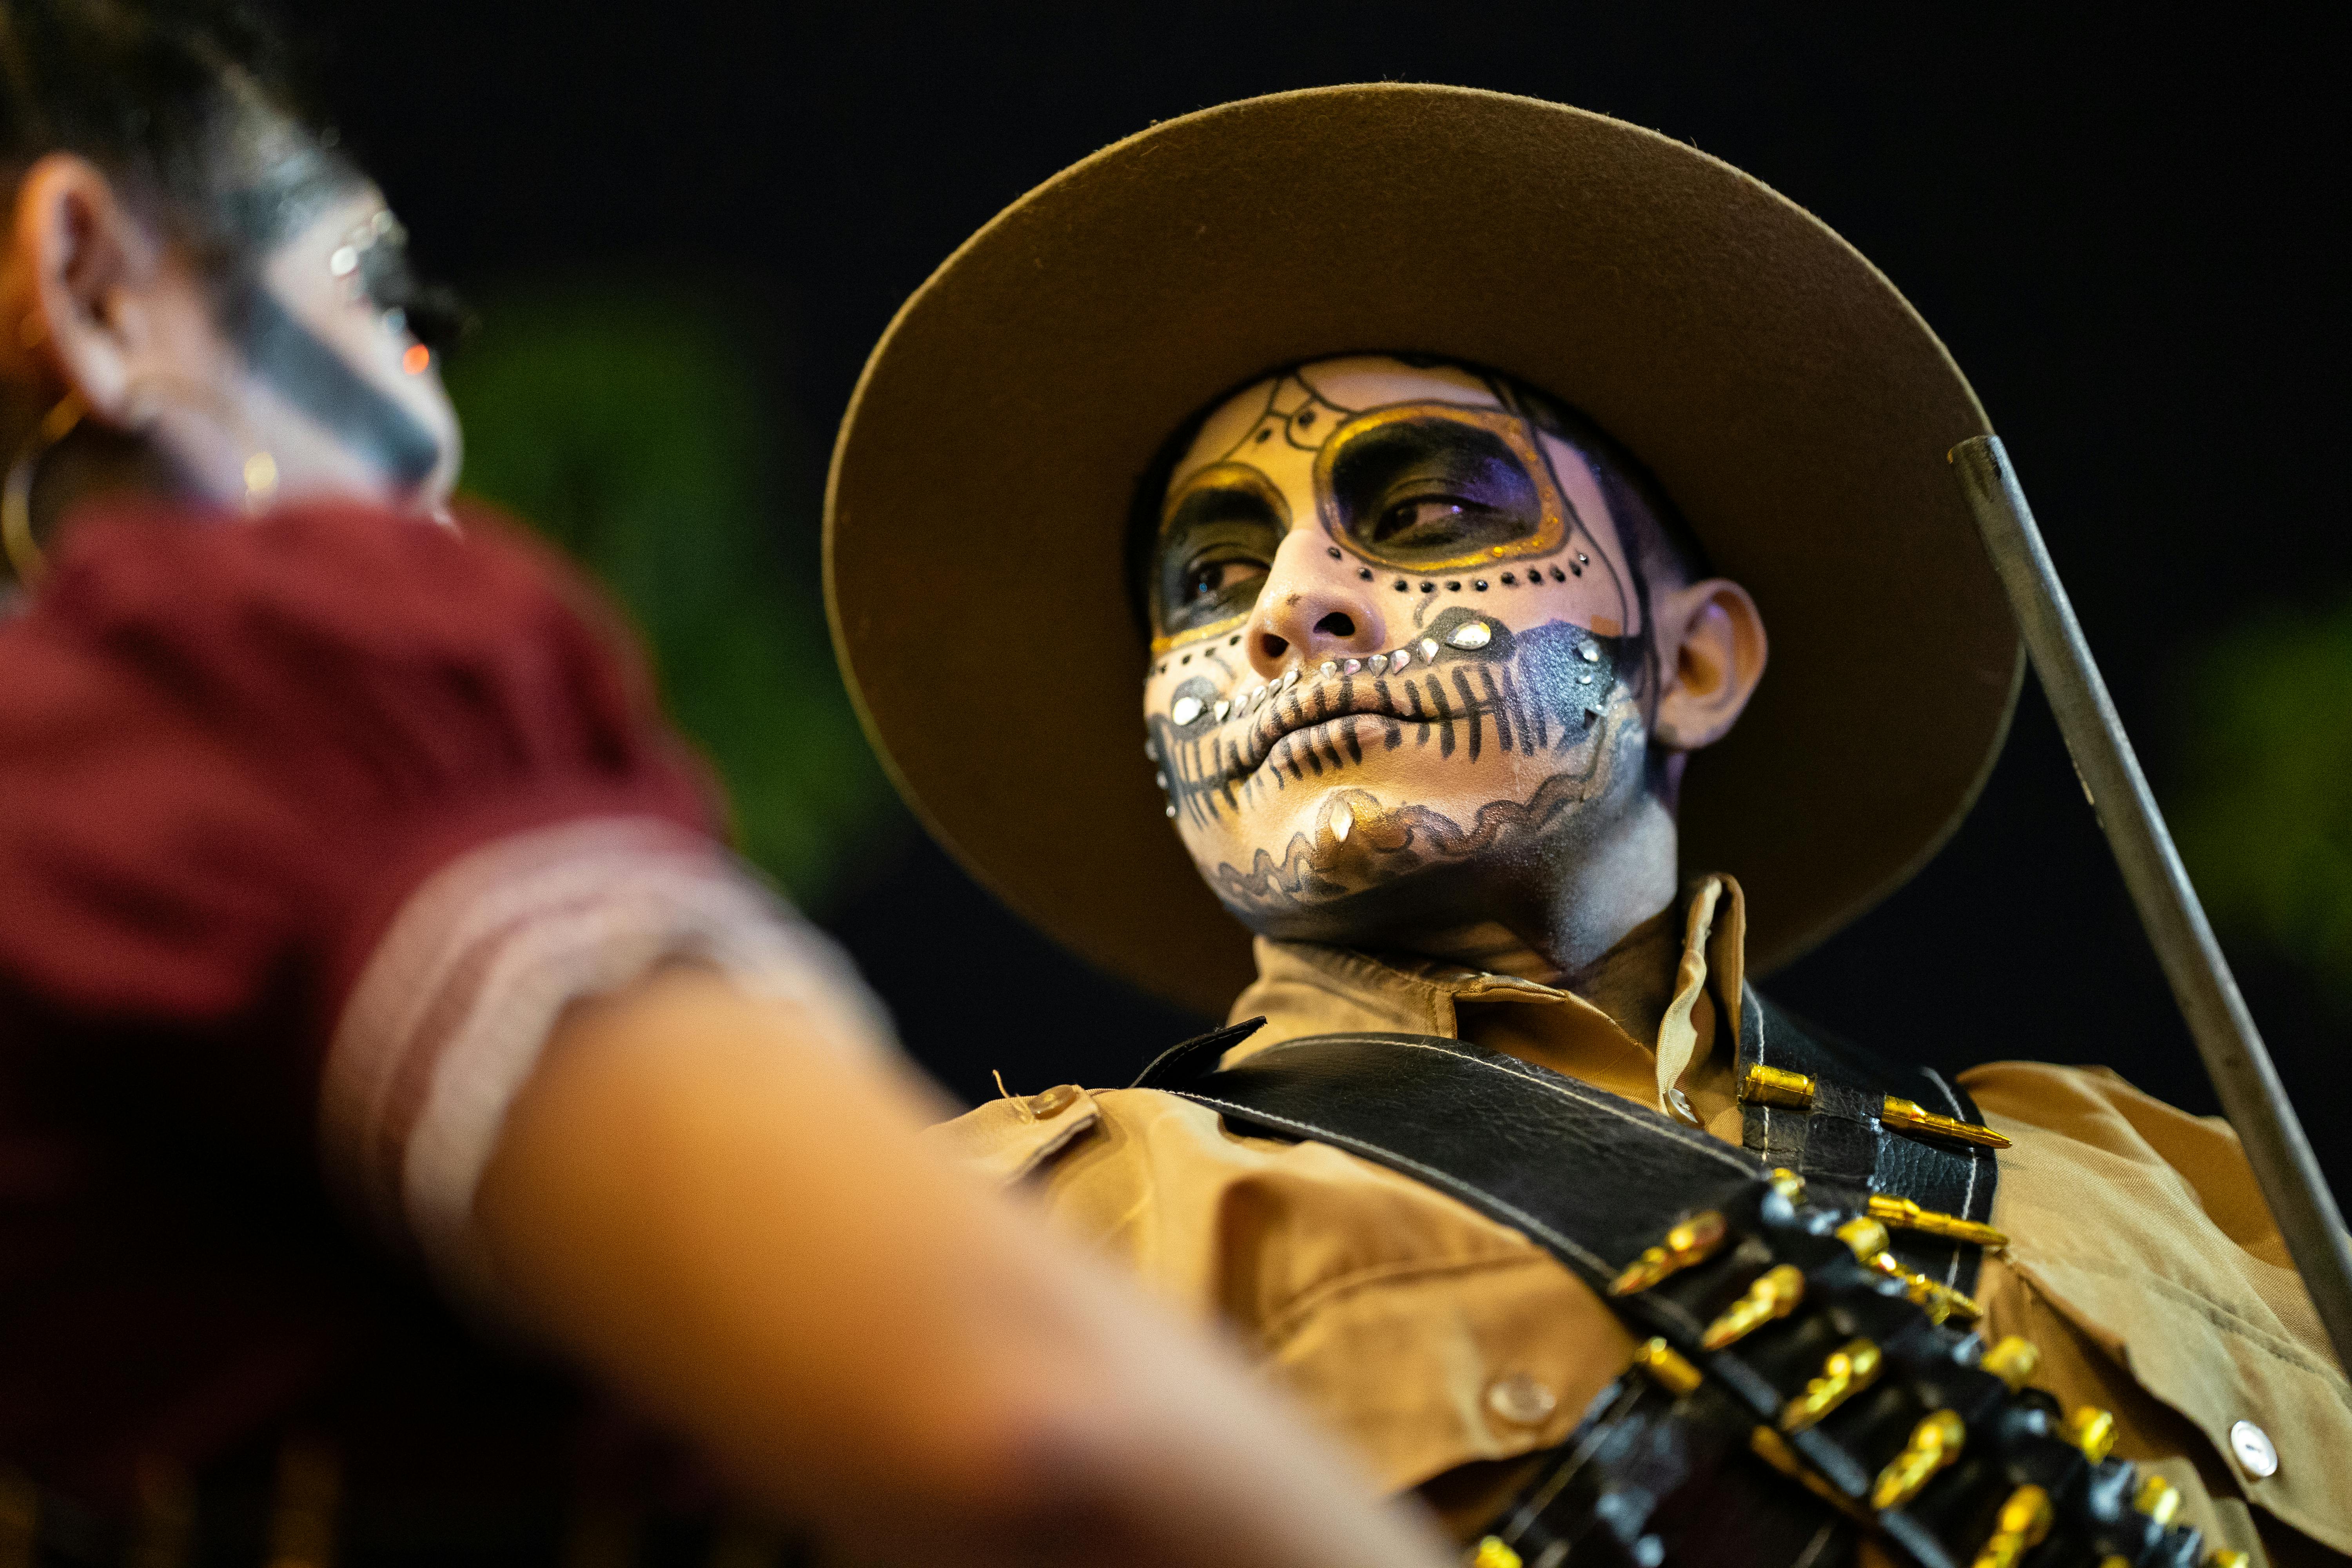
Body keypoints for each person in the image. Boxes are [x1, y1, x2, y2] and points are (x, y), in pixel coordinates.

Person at [0, 8, 1460, 1566]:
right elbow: (1035, 1419)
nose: (437, 438)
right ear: (93, 281)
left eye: (1428, 515)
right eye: (378, 297)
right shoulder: (254, 687)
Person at [825, 85, 2351, 1566]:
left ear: (1691, 661)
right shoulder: (988, 1240)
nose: (1292, 606)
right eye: (1214, 581)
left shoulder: (2173, 1177)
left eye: (1423, 515)